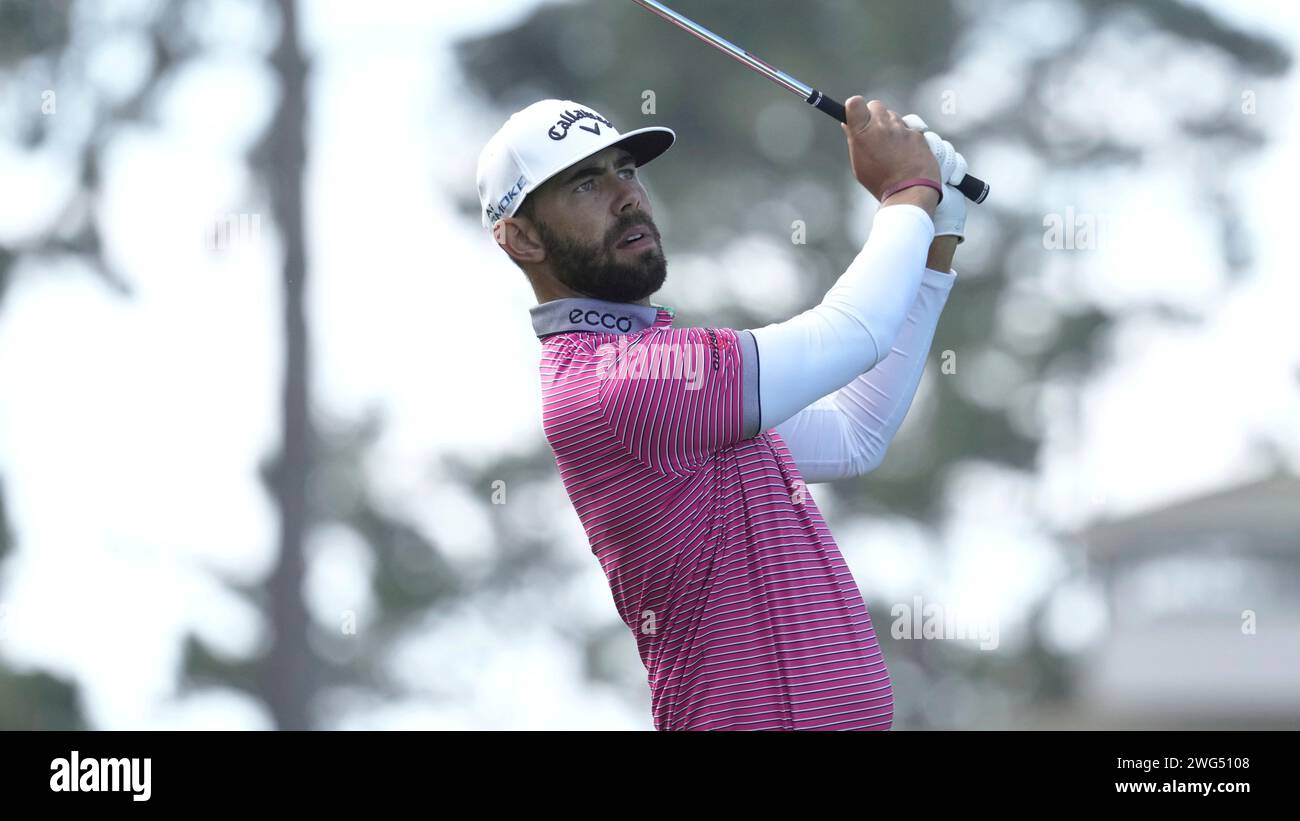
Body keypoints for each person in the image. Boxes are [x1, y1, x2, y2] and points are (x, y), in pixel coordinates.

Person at [477, 97, 969, 730]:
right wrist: (907, 196)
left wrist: (936, 237)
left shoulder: (662, 373)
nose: (626, 196)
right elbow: (854, 331)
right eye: (586, 183)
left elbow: (856, 434)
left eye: (625, 170)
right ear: (521, 236)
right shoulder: (623, 383)